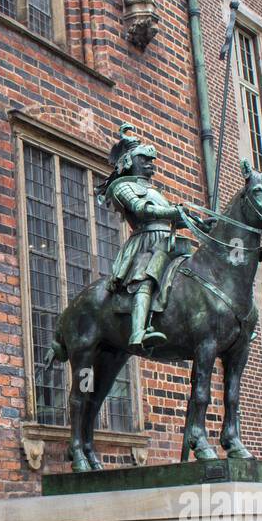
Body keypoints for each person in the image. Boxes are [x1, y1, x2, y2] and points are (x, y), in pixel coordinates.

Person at [97, 125, 207, 352]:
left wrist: (200, 223)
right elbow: (141, 210)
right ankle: (138, 332)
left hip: (169, 241)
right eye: (144, 160)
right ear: (129, 162)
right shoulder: (123, 186)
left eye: (151, 160)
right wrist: (173, 213)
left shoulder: (155, 191)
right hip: (146, 242)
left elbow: (173, 219)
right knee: (145, 279)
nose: (150, 164)